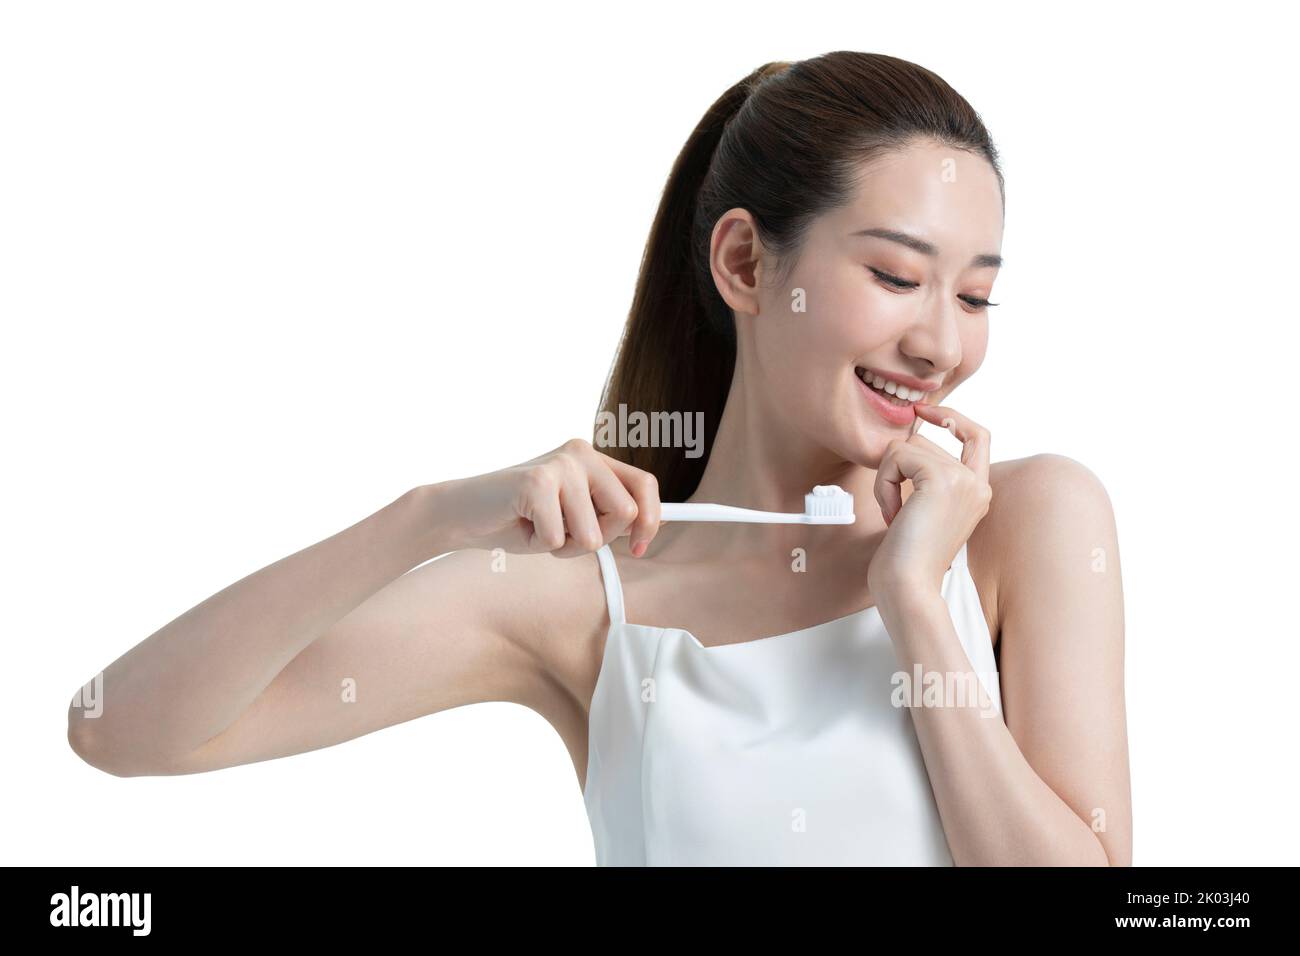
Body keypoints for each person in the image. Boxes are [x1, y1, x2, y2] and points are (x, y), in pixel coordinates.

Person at [67, 51, 1131, 866]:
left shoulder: (1022, 525)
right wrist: (428, 516)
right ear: (747, 262)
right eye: (898, 276)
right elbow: (122, 727)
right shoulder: (590, 601)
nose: (942, 342)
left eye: (976, 294)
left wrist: (911, 597)